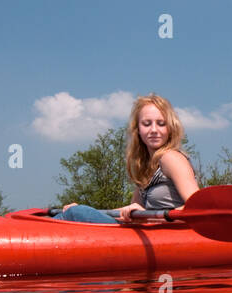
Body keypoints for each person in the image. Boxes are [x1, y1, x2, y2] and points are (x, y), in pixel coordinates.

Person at [56, 93, 200, 223]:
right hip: (147, 233)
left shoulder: (171, 158)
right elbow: (130, 211)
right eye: (147, 124)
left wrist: (150, 217)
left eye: (161, 124)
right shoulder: (146, 167)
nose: (154, 130)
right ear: (138, 130)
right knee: (76, 213)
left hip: (168, 236)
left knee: (76, 213)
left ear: (170, 128)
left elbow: (198, 207)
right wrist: (89, 211)